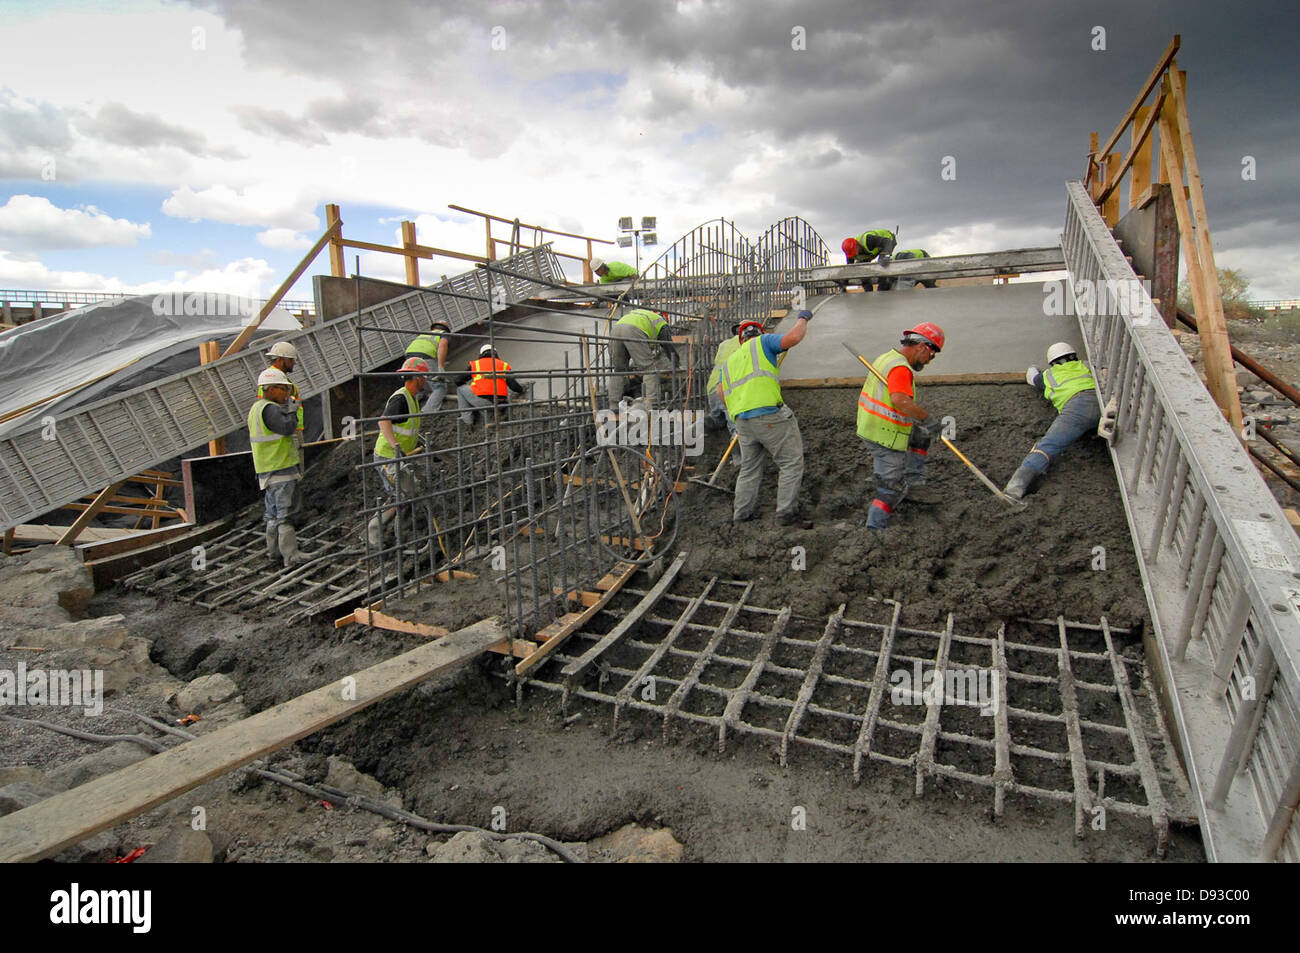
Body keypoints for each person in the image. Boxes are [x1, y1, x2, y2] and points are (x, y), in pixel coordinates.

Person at [719, 311, 813, 529]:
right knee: (790, 463)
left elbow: (721, 393)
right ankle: (786, 514)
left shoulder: (729, 361)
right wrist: (803, 318)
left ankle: (741, 515)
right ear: (758, 332)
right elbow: (794, 338)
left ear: (740, 339)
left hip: (742, 421)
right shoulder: (763, 342)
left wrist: (739, 406)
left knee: (749, 468)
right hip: (769, 415)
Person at [858, 323, 947, 529]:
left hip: (872, 423)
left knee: (921, 436)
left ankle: (915, 483)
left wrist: (923, 425)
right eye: (931, 356)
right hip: (885, 433)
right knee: (891, 488)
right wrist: (928, 420)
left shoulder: (887, 357)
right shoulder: (900, 368)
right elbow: (900, 400)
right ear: (923, 347)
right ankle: (874, 529)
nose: (929, 361)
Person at [1003, 342, 1102, 500]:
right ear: (1075, 356)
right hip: (1102, 404)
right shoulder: (1087, 365)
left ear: (1052, 362)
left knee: (1047, 446)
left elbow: (1031, 374)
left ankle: (1014, 489)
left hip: (1075, 410)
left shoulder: (1048, 375)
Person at [366, 357, 434, 547]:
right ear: (418, 377)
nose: (426, 380)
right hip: (388, 457)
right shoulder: (401, 397)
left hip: (399, 455)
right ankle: (378, 531)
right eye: (424, 377)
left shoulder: (411, 398)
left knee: (404, 495)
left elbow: (407, 428)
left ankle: (394, 533)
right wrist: (396, 447)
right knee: (403, 495)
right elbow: (384, 421)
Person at [248, 367, 310, 566]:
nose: (286, 394)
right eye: (283, 389)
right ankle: (290, 556)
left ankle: (274, 553)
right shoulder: (270, 409)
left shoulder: (256, 409)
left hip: (267, 469)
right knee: (286, 513)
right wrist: (292, 412)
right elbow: (286, 428)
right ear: (271, 389)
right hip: (280, 467)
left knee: (273, 513)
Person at [608, 308, 679, 407]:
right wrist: (676, 363)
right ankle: (651, 402)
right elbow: (668, 346)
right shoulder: (661, 323)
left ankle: (614, 404)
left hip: (615, 329)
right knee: (649, 368)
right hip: (633, 330)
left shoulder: (641, 315)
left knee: (619, 370)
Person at [453, 344, 525, 426]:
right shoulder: (503, 365)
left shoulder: (476, 365)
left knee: (460, 389)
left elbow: (457, 380)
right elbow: (514, 386)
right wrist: (522, 389)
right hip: (502, 404)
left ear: (481, 354)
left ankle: (468, 420)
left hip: (484, 402)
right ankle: (493, 414)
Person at [405, 320, 451, 417]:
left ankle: (408, 408)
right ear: (446, 329)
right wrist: (440, 366)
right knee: (440, 387)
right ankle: (428, 412)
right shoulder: (443, 334)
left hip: (409, 358)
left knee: (417, 384)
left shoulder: (423, 335)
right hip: (425, 357)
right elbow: (442, 345)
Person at [705, 322, 741, 435]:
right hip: (728, 390)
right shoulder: (749, 344)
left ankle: (694, 431)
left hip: (712, 387)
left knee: (718, 419)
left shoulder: (724, 344)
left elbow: (717, 362)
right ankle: (737, 450)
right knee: (738, 428)